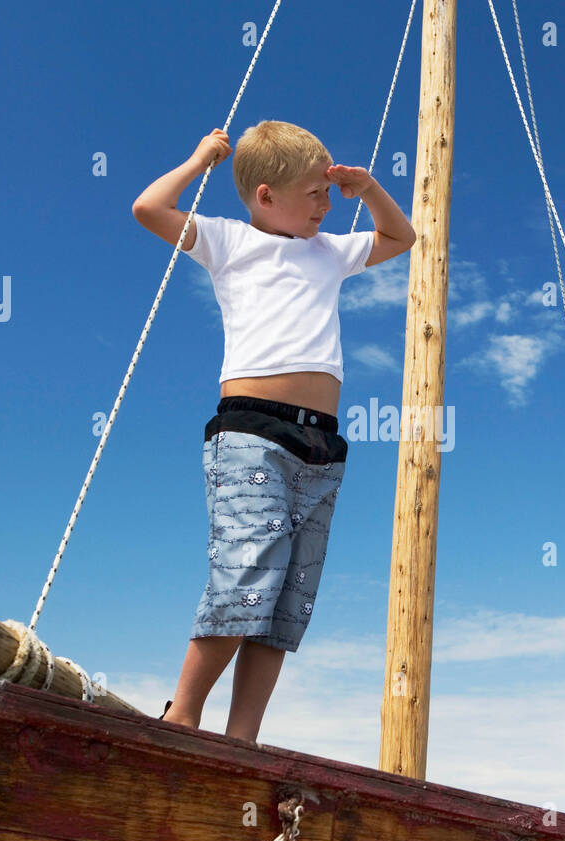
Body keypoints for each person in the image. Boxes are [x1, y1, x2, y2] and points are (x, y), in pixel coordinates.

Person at [131, 120, 416, 742]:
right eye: (314, 191)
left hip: (321, 445)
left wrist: (365, 188)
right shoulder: (229, 240)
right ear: (266, 195)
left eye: (326, 191)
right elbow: (149, 207)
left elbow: (402, 236)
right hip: (253, 432)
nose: (324, 202)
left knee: (288, 596)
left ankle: (242, 739)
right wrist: (200, 158)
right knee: (247, 572)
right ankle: (182, 716)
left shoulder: (329, 251)